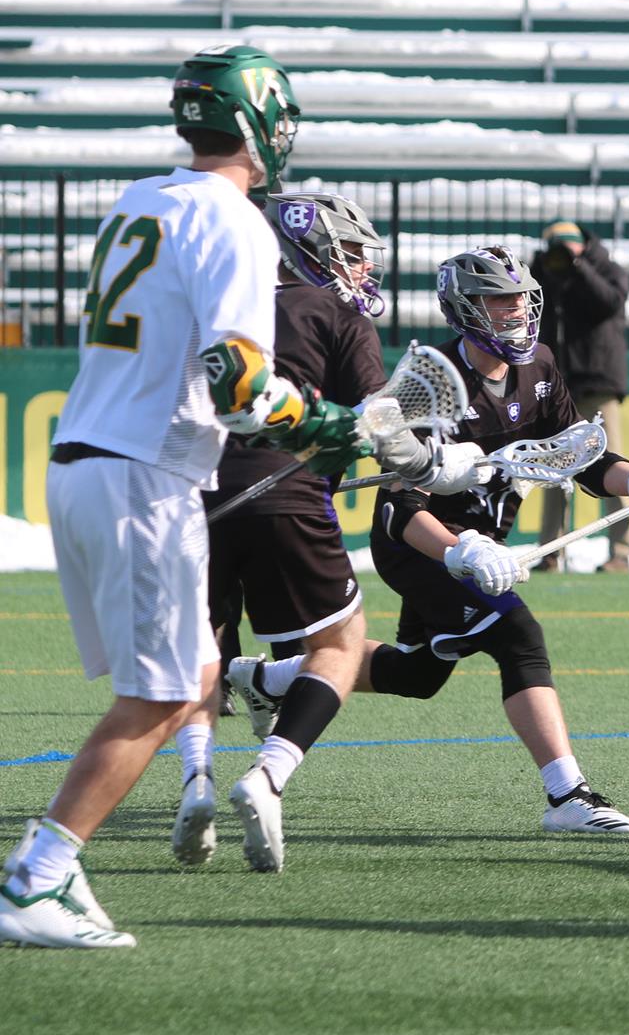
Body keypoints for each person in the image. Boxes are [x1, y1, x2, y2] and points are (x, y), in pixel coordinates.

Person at [0, 45, 368, 947]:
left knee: (199, 666)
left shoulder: (137, 199)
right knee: (160, 697)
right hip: (146, 469)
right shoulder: (238, 221)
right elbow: (238, 380)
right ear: (263, 126)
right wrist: (322, 423)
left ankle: (57, 871)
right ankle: (35, 879)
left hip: (84, 459)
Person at [228, 246, 629, 862]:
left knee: (416, 675)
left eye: (519, 299)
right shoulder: (432, 386)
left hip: (483, 544)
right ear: (464, 308)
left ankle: (268, 678)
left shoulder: (540, 365)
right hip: (422, 542)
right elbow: (401, 508)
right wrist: (460, 552)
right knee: (517, 634)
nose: (513, 313)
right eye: (497, 301)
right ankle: (568, 797)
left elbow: (577, 457)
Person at [188, 192, 484, 872]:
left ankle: (193, 783)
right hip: (285, 498)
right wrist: (443, 467)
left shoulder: (216, 305)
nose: (359, 267)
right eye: (350, 252)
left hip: (191, 494)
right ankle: (266, 775)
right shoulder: (336, 314)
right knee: (339, 646)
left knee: (201, 651)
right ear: (308, 246)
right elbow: (388, 435)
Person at [531, 219, 629, 572]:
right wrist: (549, 269)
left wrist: (579, 267)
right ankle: (551, 551)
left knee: (613, 463)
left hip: (597, 381)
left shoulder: (606, 269)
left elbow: (608, 302)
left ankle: (620, 552)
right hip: (557, 385)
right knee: (554, 471)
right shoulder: (543, 272)